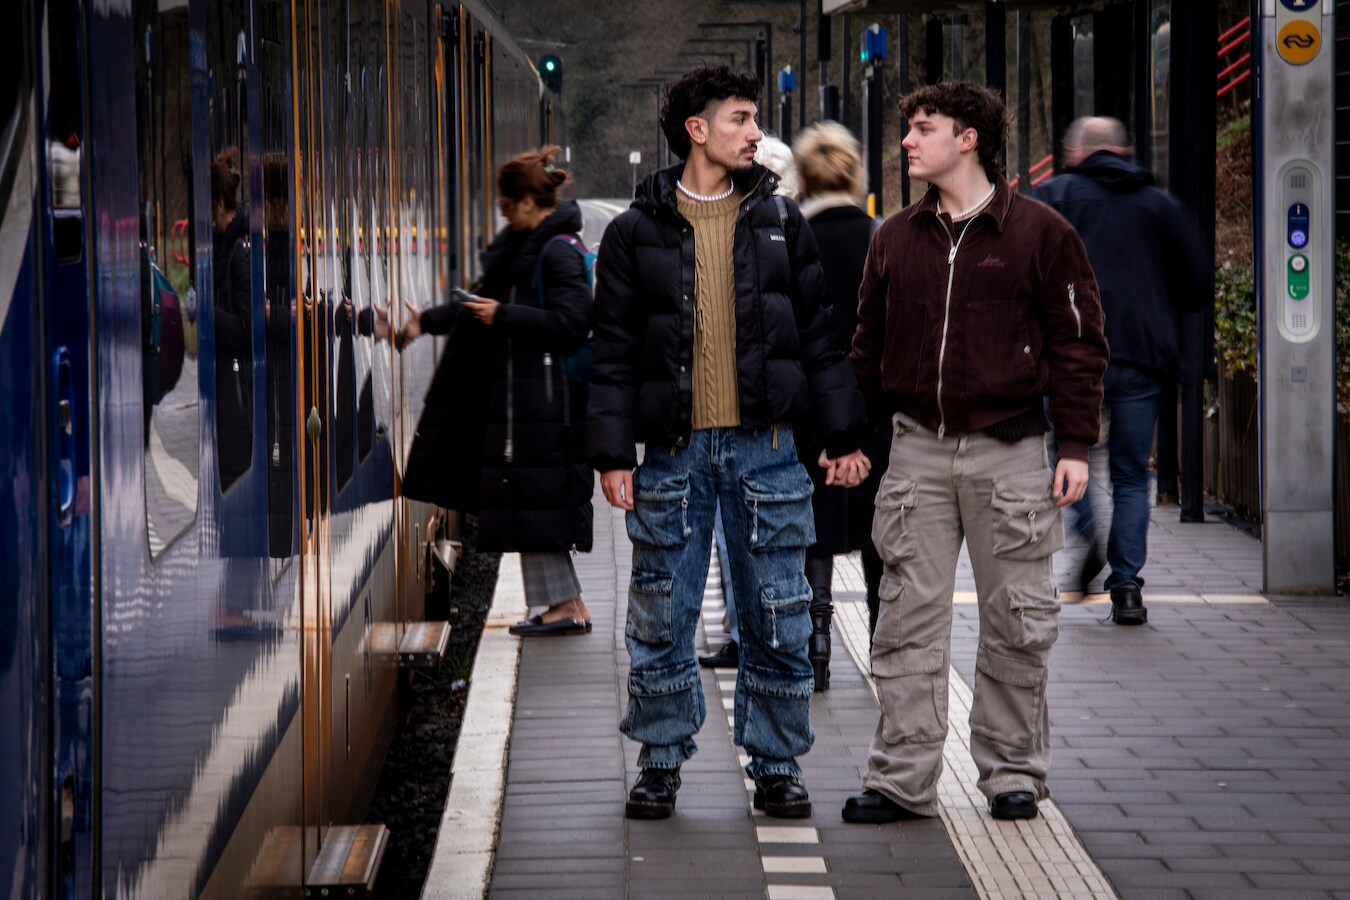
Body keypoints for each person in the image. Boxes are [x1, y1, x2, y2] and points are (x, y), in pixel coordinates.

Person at [587, 66, 870, 821]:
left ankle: (777, 765)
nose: (757, 133)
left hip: (768, 453)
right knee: (660, 616)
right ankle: (659, 764)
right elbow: (611, 350)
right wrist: (613, 454)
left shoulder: (783, 222)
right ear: (698, 130)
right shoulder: (632, 232)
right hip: (673, 457)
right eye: (742, 119)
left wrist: (842, 436)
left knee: (776, 612)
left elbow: (822, 338)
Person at [846, 81, 1108, 824]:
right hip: (916, 452)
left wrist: (1077, 443)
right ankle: (901, 779)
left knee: (1017, 621)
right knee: (904, 620)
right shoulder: (894, 238)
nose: (907, 142)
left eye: (923, 128)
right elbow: (866, 352)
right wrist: (848, 443)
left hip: (1012, 452)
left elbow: (1080, 344)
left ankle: (1013, 773)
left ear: (968, 139)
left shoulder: (1041, 233)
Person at [400, 146, 595, 636]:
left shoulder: (556, 252)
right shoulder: (526, 247)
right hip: (529, 401)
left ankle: (566, 609)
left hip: (547, 404)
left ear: (530, 201)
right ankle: (564, 603)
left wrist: (504, 316)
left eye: (509, 205)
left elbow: (574, 323)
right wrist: (424, 321)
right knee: (532, 502)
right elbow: (482, 304)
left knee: (536, 502)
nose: (504, 214)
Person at [1033, 116, 1206, 626]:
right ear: (1124, 151)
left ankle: (1086, 530)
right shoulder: (1161, 205)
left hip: (1070, 357)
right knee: (1132, 473)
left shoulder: (1054, 197)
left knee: (1066, 452)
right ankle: (1126, 585)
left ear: (1076, 151)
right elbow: (1196, 282)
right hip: (1142, 358)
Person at [791, 121, 891, 690]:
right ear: (856, 175)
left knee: (813, 528)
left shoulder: (791, 238)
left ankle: (817, 643)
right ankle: (882, 644)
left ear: (801, 178)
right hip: (876, 412)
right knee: (881, 531)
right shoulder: (882, 236)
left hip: (809, 413)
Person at [698, 132, 798, 672]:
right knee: (769, 543)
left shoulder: (778, 233)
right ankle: (773, 639)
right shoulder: (784, 230)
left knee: (745, 543)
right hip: (770, 420)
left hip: (756, 421)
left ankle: (754, 637)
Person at [211, 147, 253, 493]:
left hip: (236, 397)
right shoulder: (226, 245)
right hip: (227, 393)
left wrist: (206, 317)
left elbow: (244, 329)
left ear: (220, 207)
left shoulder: (238, 252)